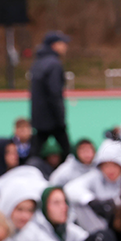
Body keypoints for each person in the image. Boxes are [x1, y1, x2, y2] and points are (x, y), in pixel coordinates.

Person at [64, 139, 121, 233]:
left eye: (114, 165)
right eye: (106, 166)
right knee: (80, 204)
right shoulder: (96, 176)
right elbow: (70, 188)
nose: (110, 170)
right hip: (99, 227)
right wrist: (91, 200)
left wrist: (115, 203)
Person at [30, 31, 71, 160]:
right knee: (66, 150)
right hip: (51, 117)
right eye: (62, 43)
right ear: (54, 45)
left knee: (37, 148)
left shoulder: (38, 62)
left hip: (39, 115)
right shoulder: (54, 64)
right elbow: (55, 93)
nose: (65, 46)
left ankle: (29, 168)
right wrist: (60, 118)